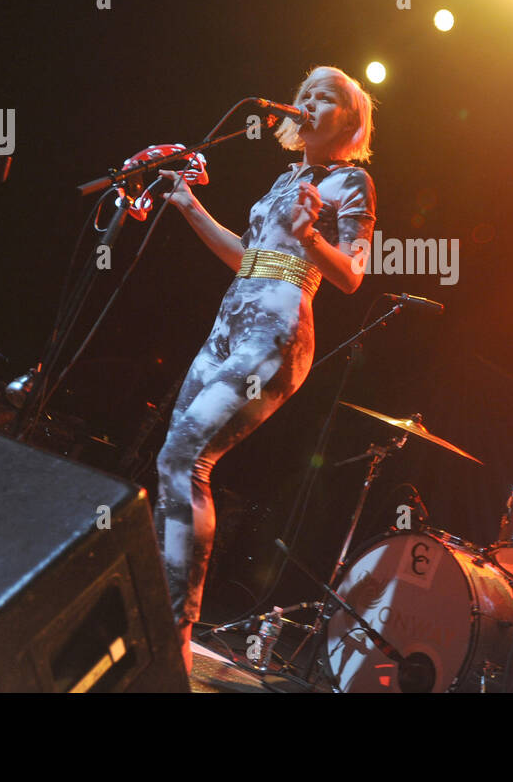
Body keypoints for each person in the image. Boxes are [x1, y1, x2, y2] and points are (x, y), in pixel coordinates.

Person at [154, 65, 377, 672]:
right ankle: (157, 617)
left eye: (324, 97)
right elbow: (247, 258)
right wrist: (188, 206)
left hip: (276, 335)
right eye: (304, 94)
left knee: (185, 460)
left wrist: (311, 240)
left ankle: (174, 630)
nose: (307, 103)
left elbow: (353, 275)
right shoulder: (287, 179)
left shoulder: (352, 183)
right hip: (227, 327)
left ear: (349, 120)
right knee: (170, 460)